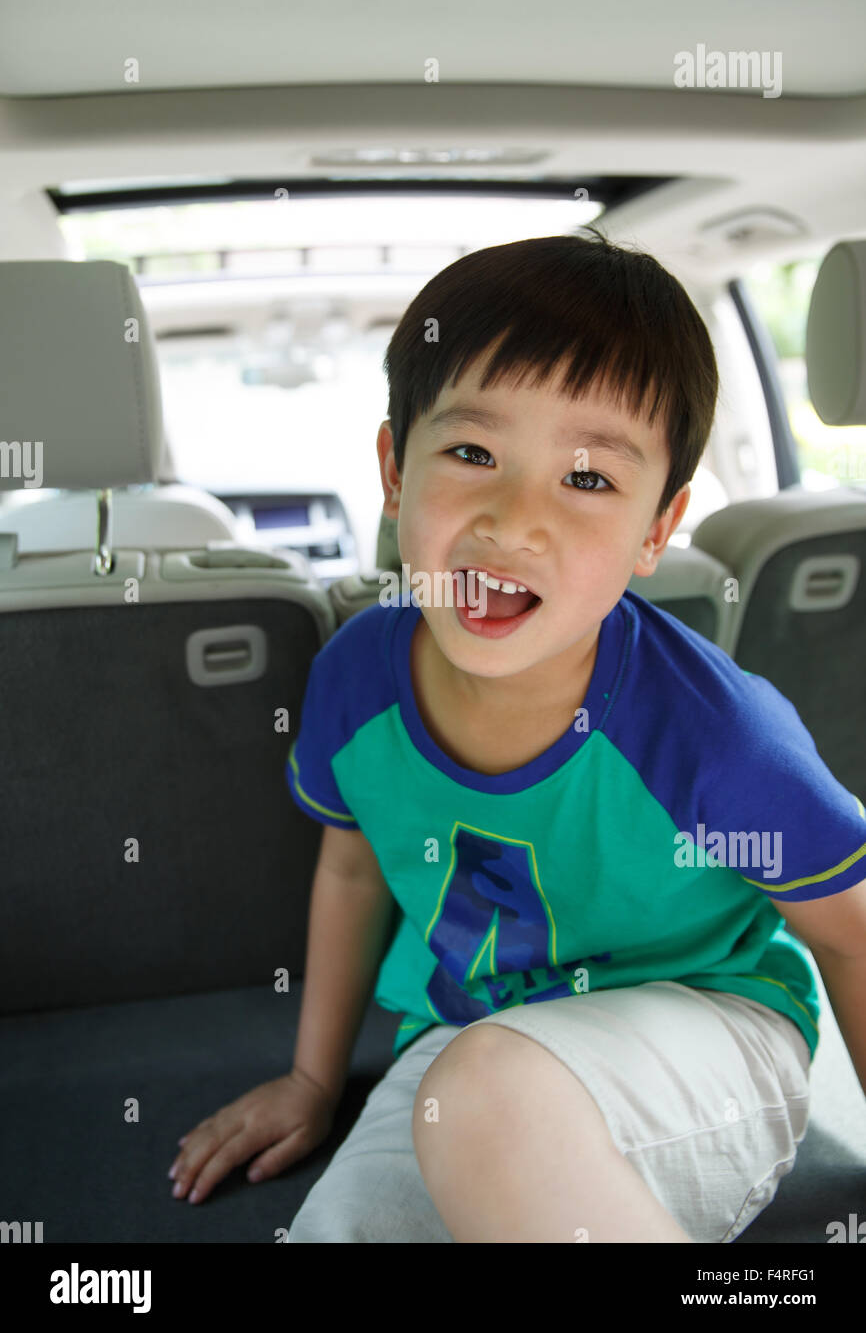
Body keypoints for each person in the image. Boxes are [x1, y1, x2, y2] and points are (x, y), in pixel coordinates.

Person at [166, 230, 866, 1242]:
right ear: (393, 471)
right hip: (466, 1030)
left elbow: (847, 930)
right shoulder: (355, 681)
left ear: (654, 531)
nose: (512, 518)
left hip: (708, 1026)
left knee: (493, 1094)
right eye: (469, 452)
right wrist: (314, 1079)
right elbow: (354, 871)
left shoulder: (715, 736)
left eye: (586, 479)